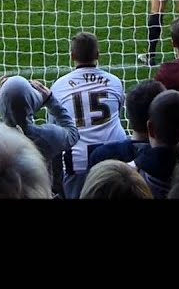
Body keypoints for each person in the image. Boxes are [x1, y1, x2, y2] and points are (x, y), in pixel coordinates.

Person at [50, 32, 127, 199]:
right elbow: (118, 113)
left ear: (72, 56)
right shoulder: (114, 81)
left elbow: (55, 131)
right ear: (97, 55)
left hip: (76, 163)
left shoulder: (58, 86)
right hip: (114, 158)